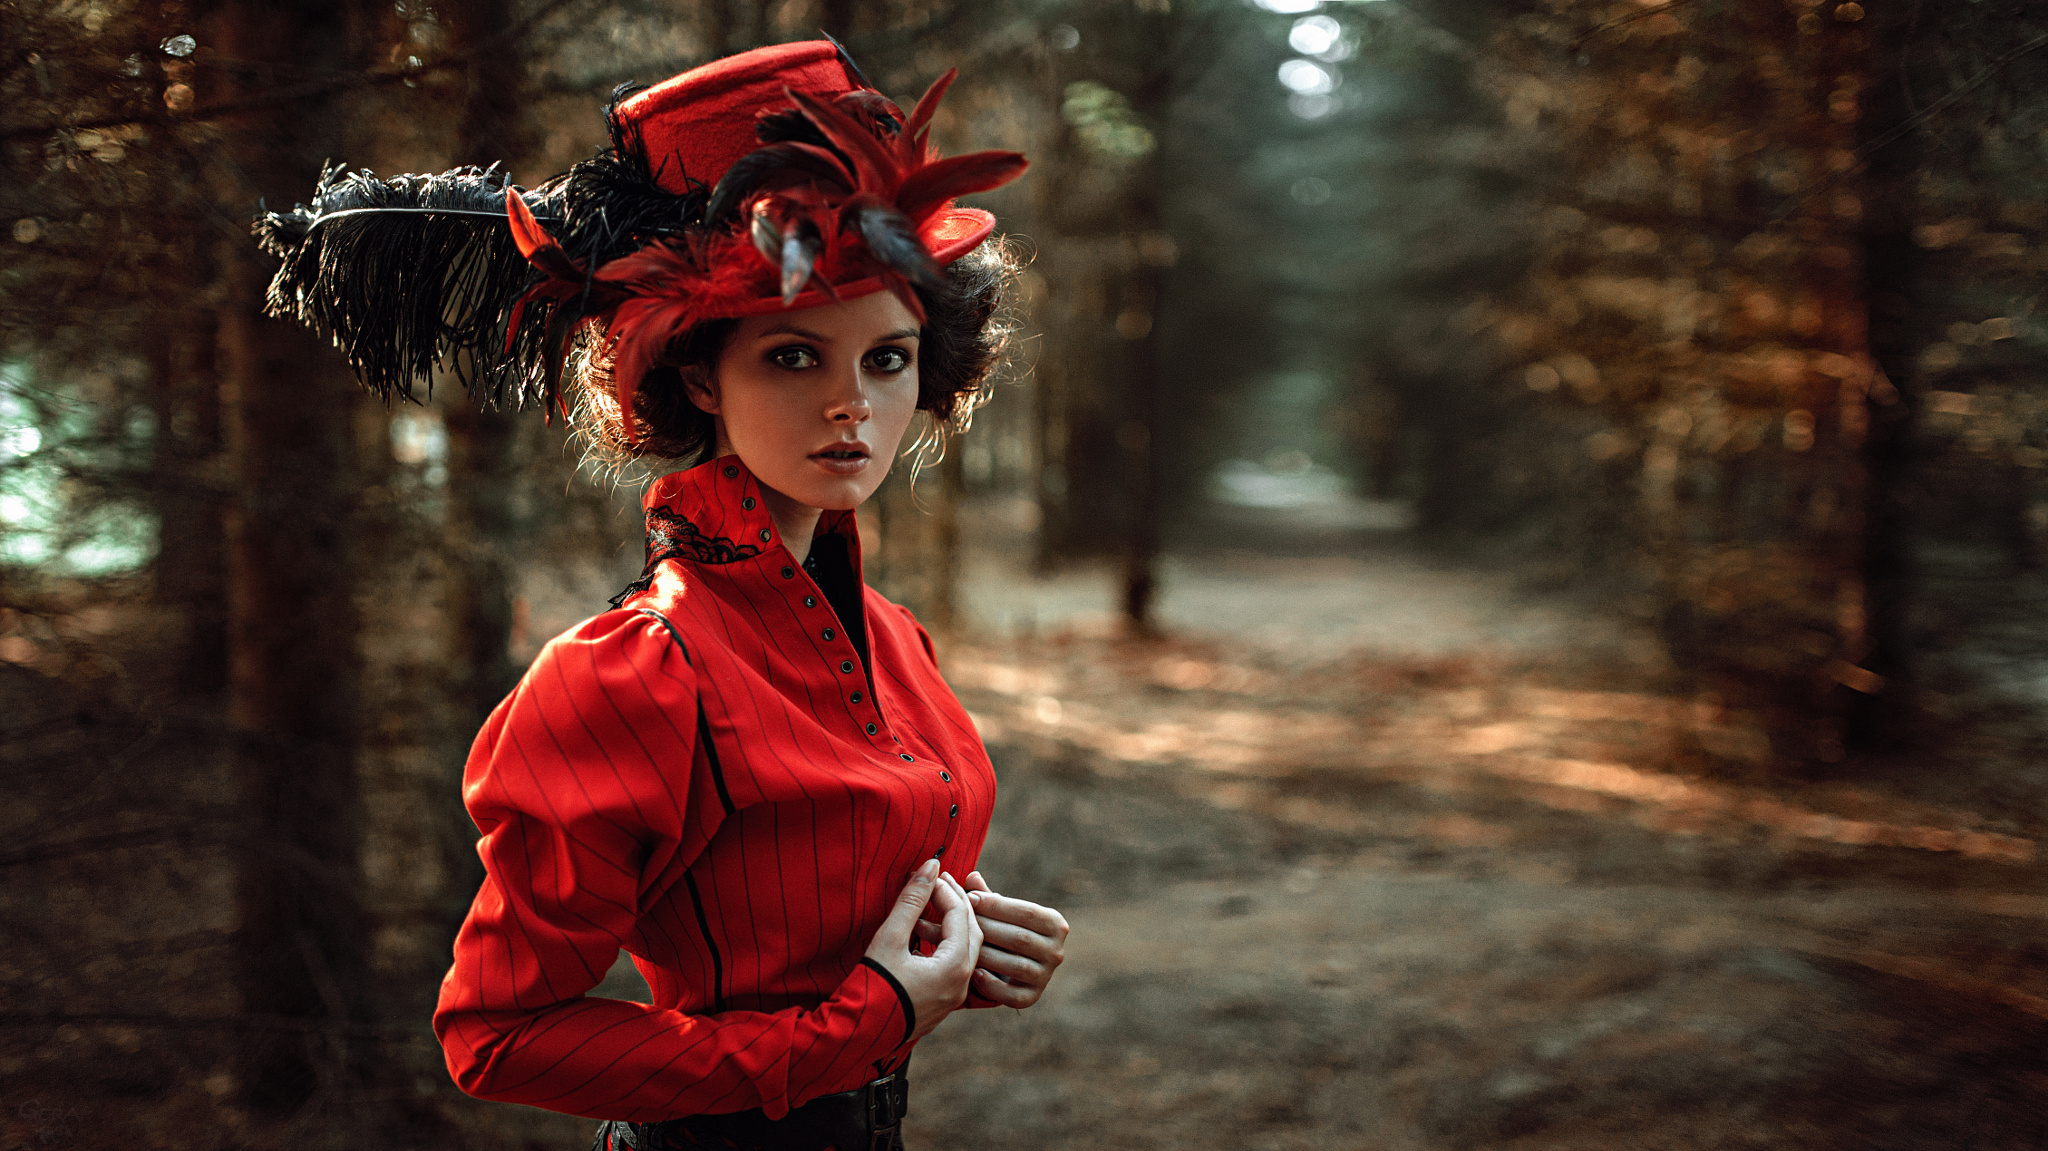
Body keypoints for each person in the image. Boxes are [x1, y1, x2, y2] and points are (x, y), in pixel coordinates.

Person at [255, 38, 1067, 1151]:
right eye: (793, 356)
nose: (852, 404)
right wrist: (864, 1019)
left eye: (886, 358)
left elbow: (811, 892)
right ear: (698, 374)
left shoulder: (889, 637)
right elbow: (495, 1036)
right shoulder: (631, 675)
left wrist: (956, 934)